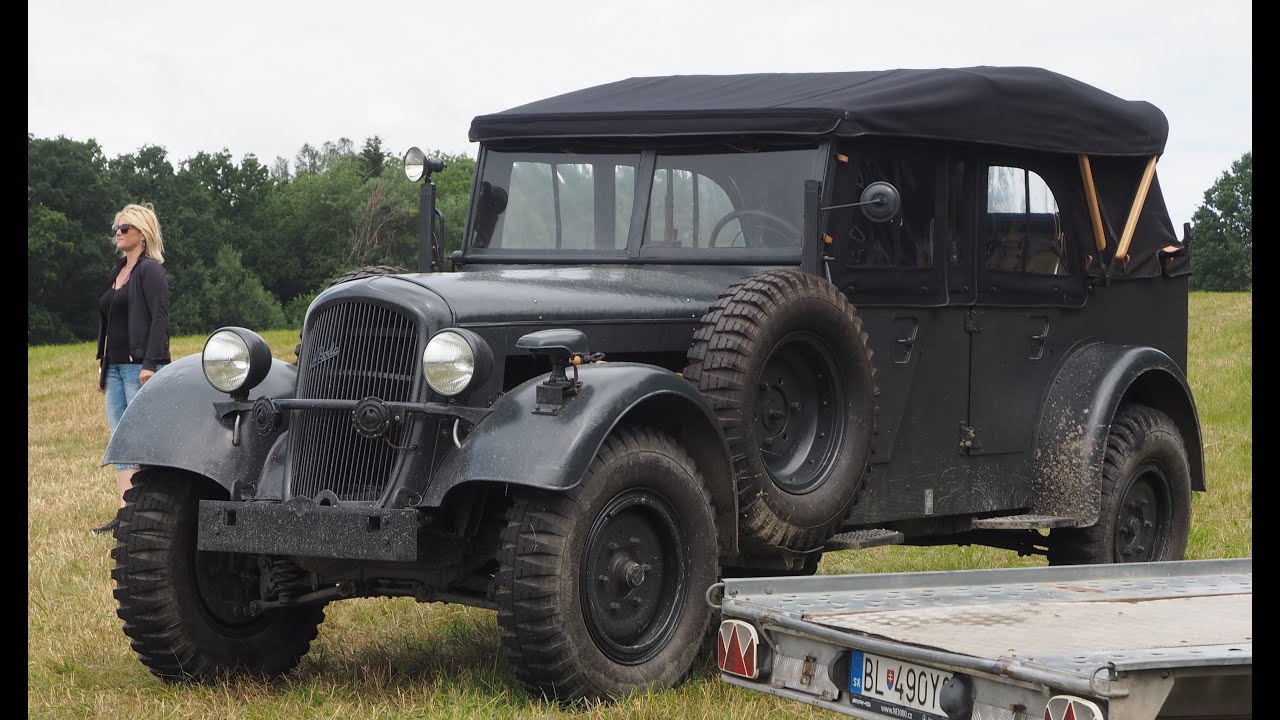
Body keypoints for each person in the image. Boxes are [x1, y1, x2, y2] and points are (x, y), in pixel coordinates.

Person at [92, 203, 171, 535]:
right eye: (116, 229)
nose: (118, 233)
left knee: (142, 440)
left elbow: (160, 319)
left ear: (143, 233)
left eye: (124, 228)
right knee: (120, 440)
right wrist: (104, 365)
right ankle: (126, 513)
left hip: (139, 367)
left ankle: (148, 512)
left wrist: (150, 364)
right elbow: (110, 322)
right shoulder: (117, 270)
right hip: (114, 367)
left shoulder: (151, 271)